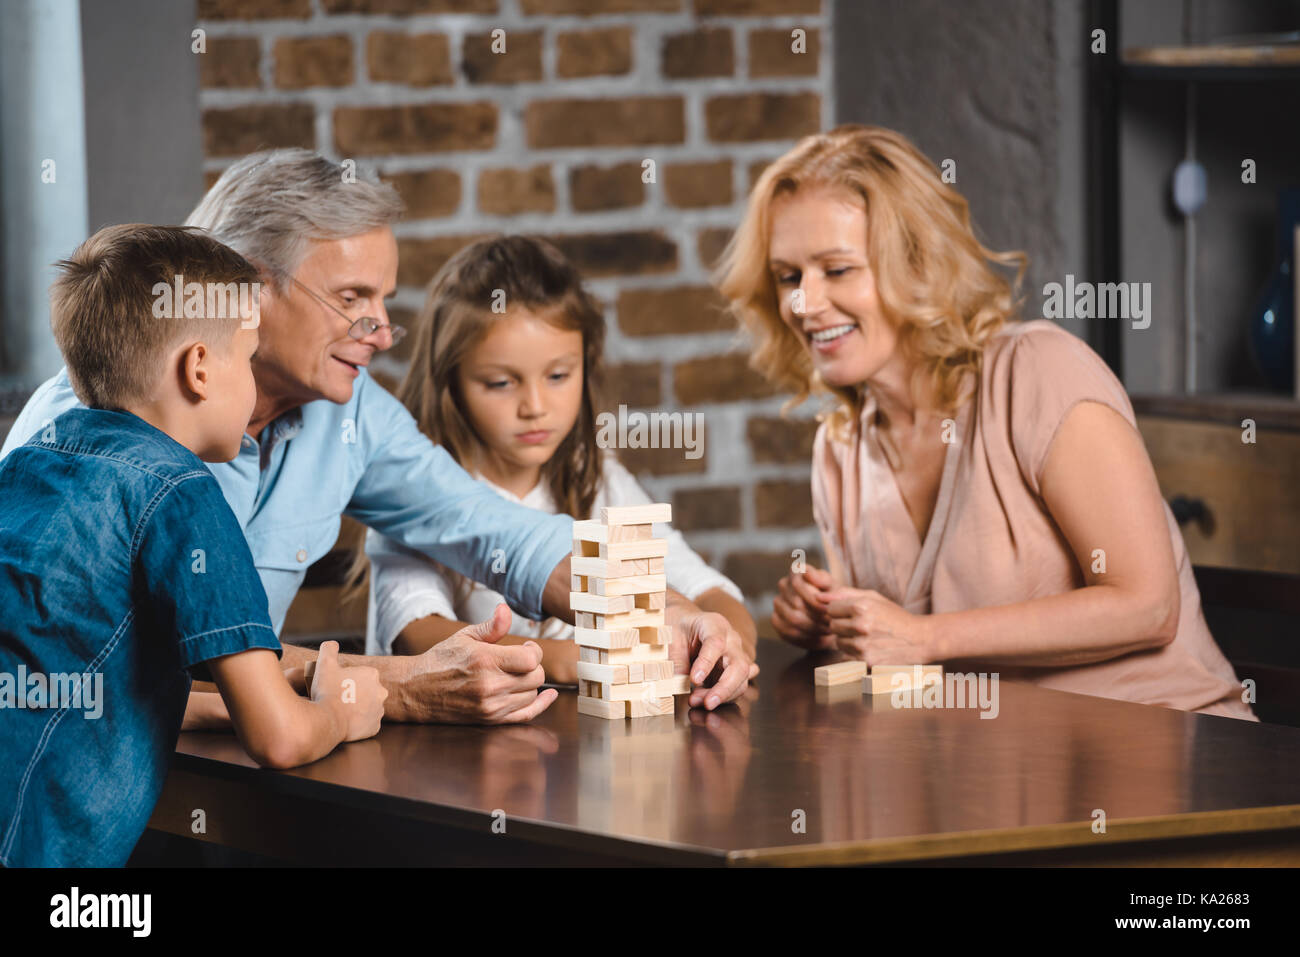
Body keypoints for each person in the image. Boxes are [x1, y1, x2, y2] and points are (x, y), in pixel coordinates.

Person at [1, 149, 752, 723]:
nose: (383, 331)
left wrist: (661, 608)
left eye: (385, 300)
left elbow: (496, 529)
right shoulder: (94, 417)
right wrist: (400, 686)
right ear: (248, 291)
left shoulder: (352, 414)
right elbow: (154, 662)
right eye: (353, 298)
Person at [715, 124, 1254, 719]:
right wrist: (833, 627)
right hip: (990, 774)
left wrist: (926, 637)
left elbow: (1149, 606)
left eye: (836, 270)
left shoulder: (1038, 372)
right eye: (789, 276)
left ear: (916, 265)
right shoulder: (840, 449)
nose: (804, 303)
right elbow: (892, 655)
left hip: (1167, 757)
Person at [0, 225, 388, 867]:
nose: (254, 382)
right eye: (249, 356)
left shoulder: (23, 465)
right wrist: (343, 711)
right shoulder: (182, 494)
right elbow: (279, 738)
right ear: (201, 370)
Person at [355, 235, 757, 695]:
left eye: (558, 376)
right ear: (451, 382)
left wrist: (726, 647)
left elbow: (706, 589)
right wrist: (587, 660)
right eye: (501, 382)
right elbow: (417, 634)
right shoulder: (412, 491)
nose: (535, 406)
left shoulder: (598, 478)